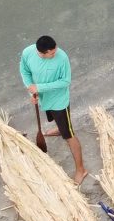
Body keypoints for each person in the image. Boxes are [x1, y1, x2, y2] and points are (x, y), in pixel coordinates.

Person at [18, 35, 86, 184]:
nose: (56, 53)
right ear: (41, 53)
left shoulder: (62, 58)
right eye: (52, 53)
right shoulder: (28, 53)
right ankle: (59, 128)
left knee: (69, 135)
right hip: (44, 99)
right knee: (57, 121)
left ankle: (81, 169)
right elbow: (25, 71)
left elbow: (65, 81)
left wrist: (39, 87)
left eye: (55, 50)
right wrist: (32, 90)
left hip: (59, 101)